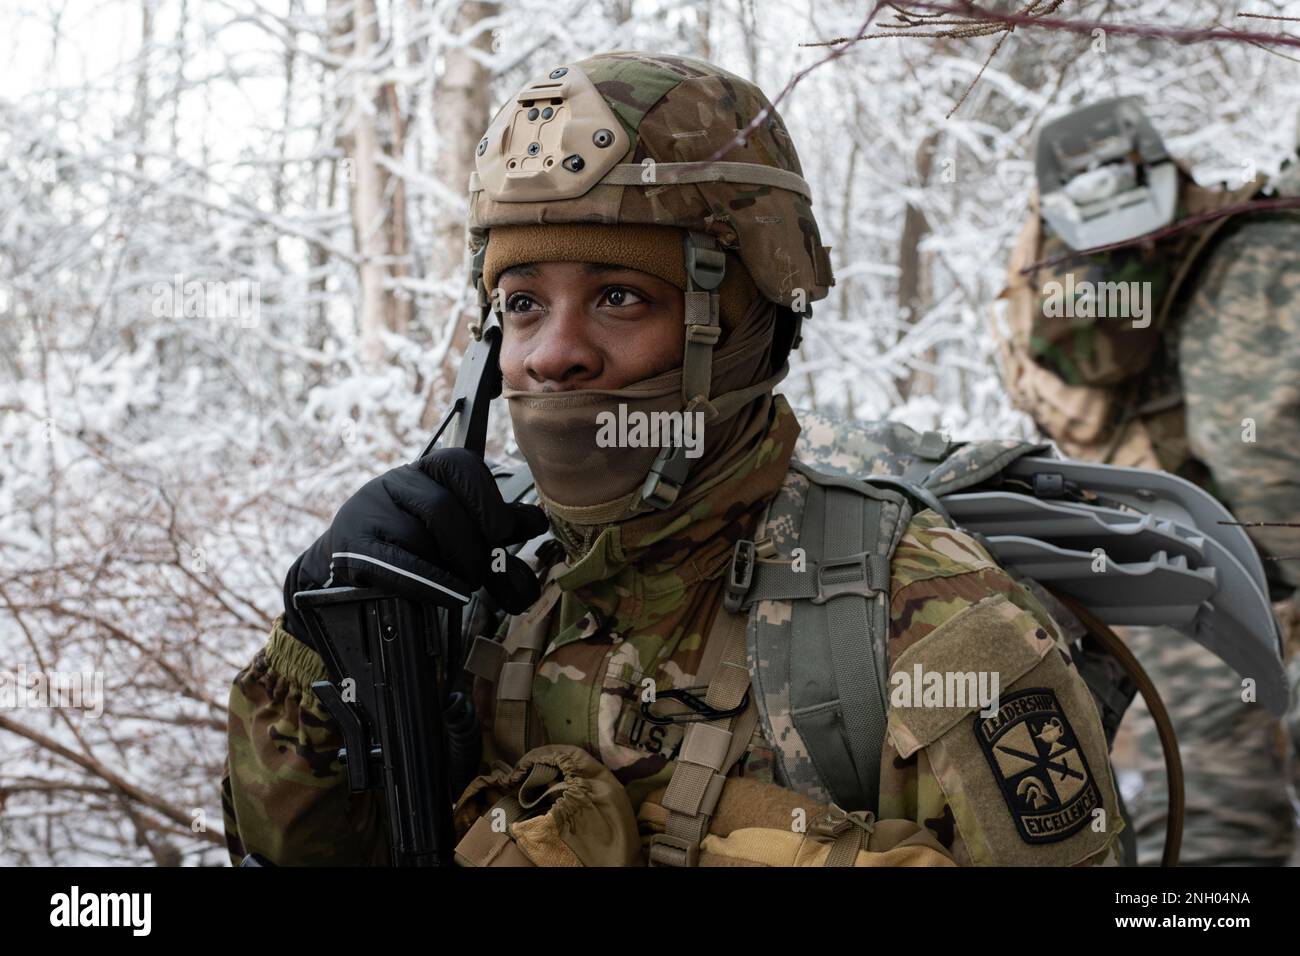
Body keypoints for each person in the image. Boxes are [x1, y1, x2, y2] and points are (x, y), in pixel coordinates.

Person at [221, 51, 1127, 867]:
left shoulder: (925, 619)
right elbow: (294, 850)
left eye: (619, 296)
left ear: (744, 326)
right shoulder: (468, 571)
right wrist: (323, 648)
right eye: (524, 304)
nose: (551, 354)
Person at [995, 97, 1300, 865]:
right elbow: (1263, 446)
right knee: (1219, 807)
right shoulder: (1256, 255)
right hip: (1241, 564)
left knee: (1204, 798)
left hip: (1151, 550)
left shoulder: (1066, 267)